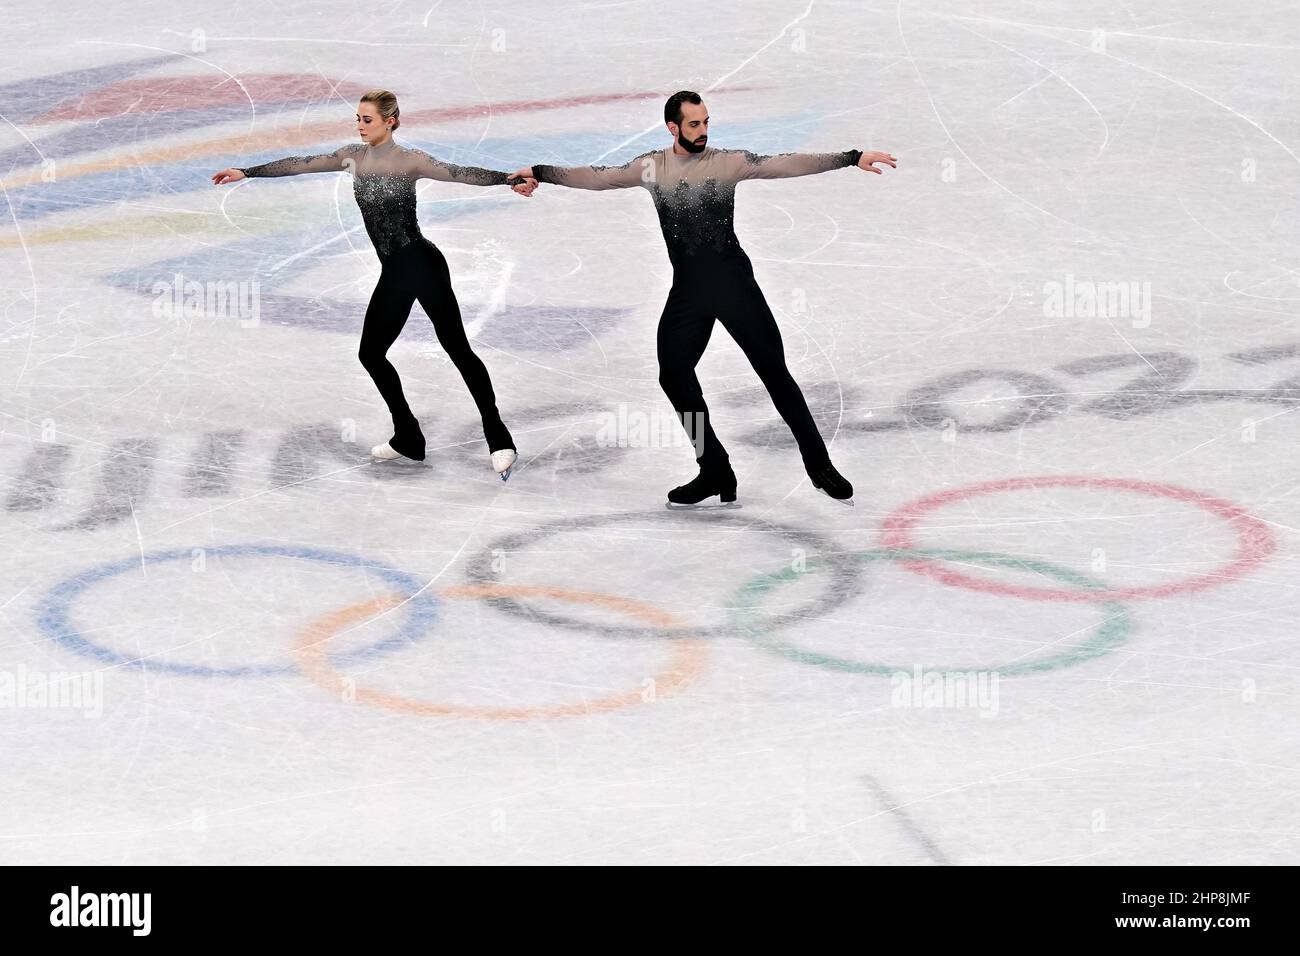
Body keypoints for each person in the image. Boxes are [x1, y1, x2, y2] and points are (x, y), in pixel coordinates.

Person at [511, 91, 895, 504]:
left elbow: (787, 163)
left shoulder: (726, 163)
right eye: (694, 124)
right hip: (689, 293)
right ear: (672, 127)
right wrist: (539, 171)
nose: (703, 131)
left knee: (774, 373)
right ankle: (714, 468)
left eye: (706, 122)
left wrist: (851, 156)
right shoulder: (652, 168)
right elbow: (596, 177)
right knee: (673, 375)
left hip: (734, 288)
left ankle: (819, 465)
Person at [212, 89, 536, 479]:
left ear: (390, 121)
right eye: (358, 120)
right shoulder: (352, 157)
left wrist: (507, 180)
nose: (361, 126)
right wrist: (248, 172)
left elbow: (459, 173)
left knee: (457, 349)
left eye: (368, 120)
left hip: (422, 266)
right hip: (395, 271)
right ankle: (409, 437)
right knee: (371, 354)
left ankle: (498, 436)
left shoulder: (409, 160)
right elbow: (300, 164)